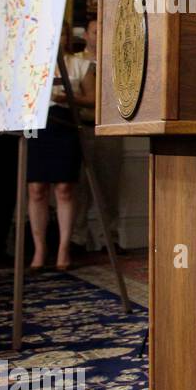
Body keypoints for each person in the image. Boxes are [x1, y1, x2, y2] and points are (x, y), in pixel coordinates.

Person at [26, 24, 91, 272]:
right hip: (38, 125)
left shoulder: (79, 64)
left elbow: (93, 99)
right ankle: (40, 248)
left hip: (65, 125)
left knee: (64, 187)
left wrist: (68, 98)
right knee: (36, 188)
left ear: (67, 37)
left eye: (61, 33)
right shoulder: (32, 64)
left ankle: (63, 247)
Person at [70, 17, 124, 253]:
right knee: (79, 187)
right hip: (81, 127)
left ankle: (108, 239)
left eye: (103, 31)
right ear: (86, 35)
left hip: (109, 129)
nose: (98, 35)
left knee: (109, 187)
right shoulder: (74, 62)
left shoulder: (116, 63)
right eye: (94, 31)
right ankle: (77, 238)